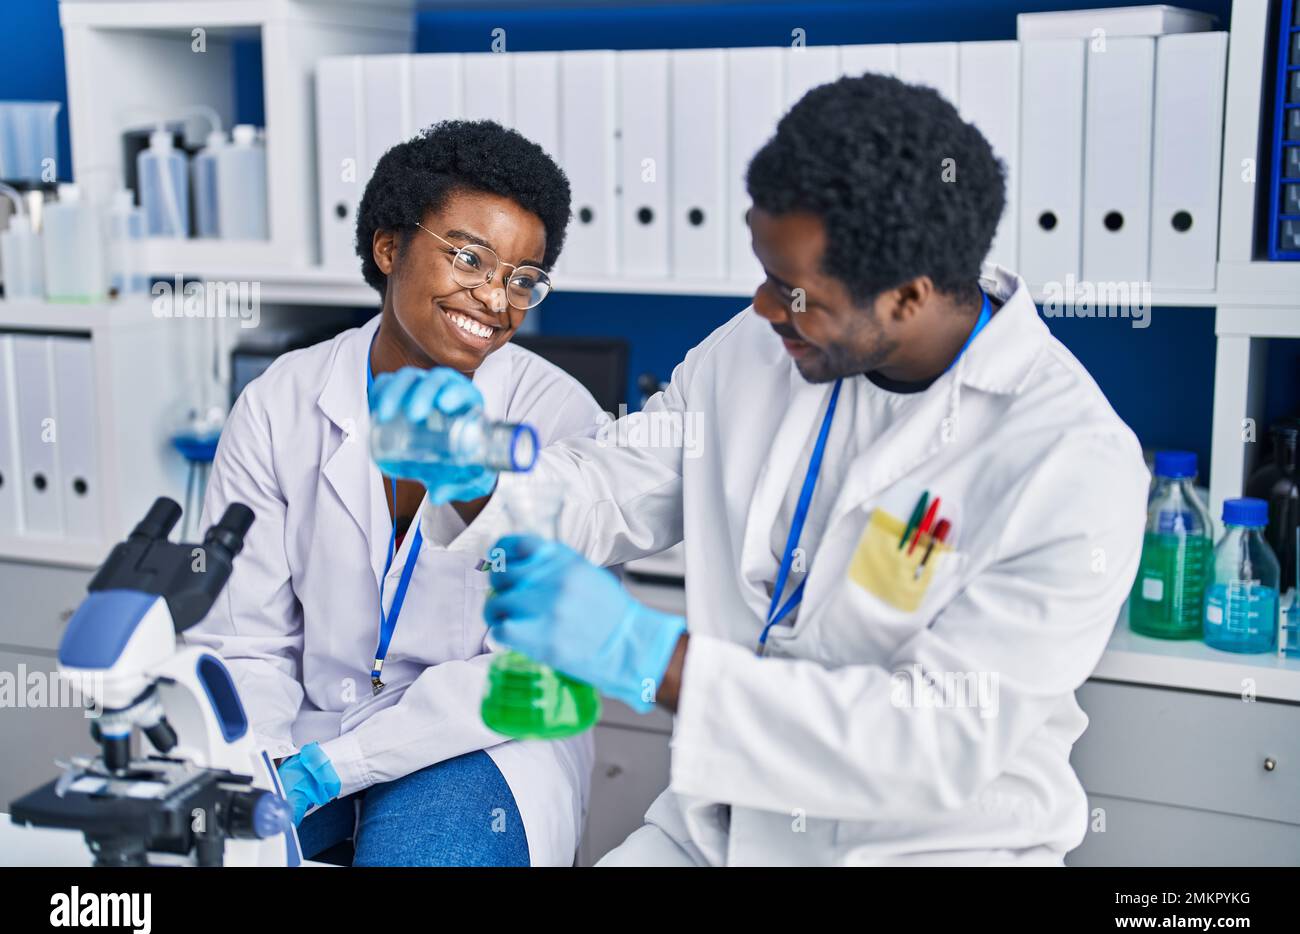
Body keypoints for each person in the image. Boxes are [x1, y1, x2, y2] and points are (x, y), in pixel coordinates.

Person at [372, 74, 1151, 865]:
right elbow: (614, 485)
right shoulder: (760, 346)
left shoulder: (1070, 464)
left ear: (908, 298)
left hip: (922, 851)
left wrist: (651, 657)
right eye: (765, 273)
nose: (765, 306)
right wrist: (473, 474)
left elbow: (931, 739)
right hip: (717, 834)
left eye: (795, 291)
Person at [188, 119, 602, 866]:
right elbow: (246, 639)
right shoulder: (282, 401)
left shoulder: (556, 418)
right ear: (389, 248)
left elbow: (530, 665)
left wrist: (344, 767)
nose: (494, 298)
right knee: (204, 847)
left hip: (486, 744)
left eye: (520, 277)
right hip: (317, 726)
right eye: (469, 258)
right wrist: (256, 763)